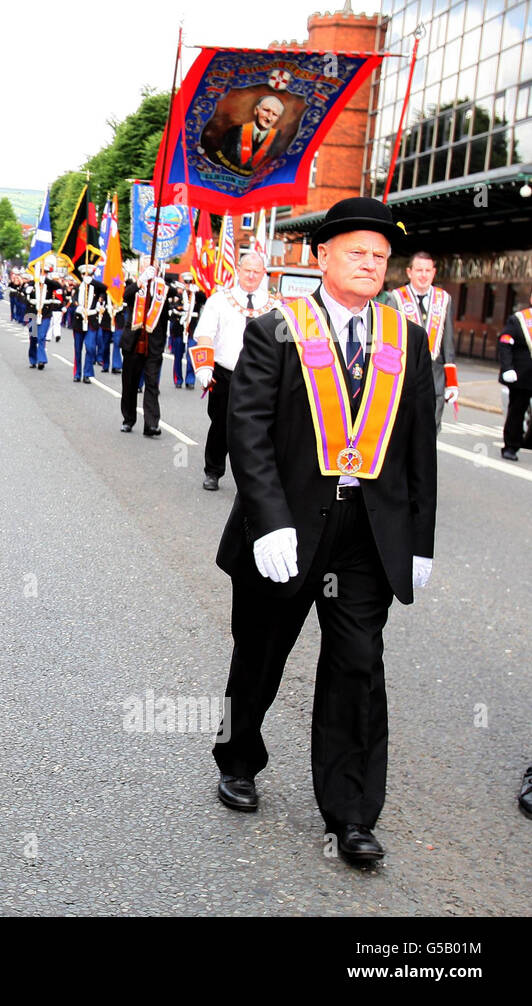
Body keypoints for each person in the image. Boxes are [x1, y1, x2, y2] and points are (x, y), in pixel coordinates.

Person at [211, 197, 437, 866]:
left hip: (367, 533)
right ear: (321, 259)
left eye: (380, 257)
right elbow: (245, 429)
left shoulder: (407, 339)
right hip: (286, 528)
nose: (371, 265)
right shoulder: (277, 328)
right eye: (357, 253)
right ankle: (238, 757)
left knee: (359, 665)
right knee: (259, 654)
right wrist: (268, 521)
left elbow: (419, 448)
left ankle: (352, 814)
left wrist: (420, 538)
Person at [192, 250, 276, 491]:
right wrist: (205, 367)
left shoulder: (273, 305)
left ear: (263, 275)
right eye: (247, 270)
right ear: (238, 270)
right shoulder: (219, 300)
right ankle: (213, 471)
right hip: (225, 372)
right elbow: (205, 334)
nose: (251, 275)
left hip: (259, 375)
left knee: (255, 428)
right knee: (221, 424)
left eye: (256, 272)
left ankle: (249, 478)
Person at [382, 251, 458, 433]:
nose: (423, 275)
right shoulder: (396, 298)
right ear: (410, 272)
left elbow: (448, 342)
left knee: (431, 429)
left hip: (435, 377)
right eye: (419, 270)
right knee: (403, 428)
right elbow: (388, 340)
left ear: (433, 272)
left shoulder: (444, 299)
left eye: (427, 270)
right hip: (406, 374)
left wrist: (452, 382)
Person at [119, 265, 170, 435]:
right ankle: (128, 419)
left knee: (152, 384)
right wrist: (140, 281)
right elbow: (125, 296)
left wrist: (160, 342)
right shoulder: (136, 286)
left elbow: (164, 319)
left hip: (153, 345)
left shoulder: (162, 291)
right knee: (130, 384)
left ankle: (151, 423)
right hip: (133, 343)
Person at [213, 94, 289, 175]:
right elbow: (219, 158)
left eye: (275, 114)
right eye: (266, 110)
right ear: (256, 110)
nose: (269, 117)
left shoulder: (280, 141)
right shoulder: (234, 132)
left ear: (278, 118)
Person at [497, 301, 532, 461]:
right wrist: (507, 368)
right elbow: (505, 343)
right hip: (522, 375)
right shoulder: (519, 319)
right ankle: (511, 446)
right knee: (517, 411)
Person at [70, 263, 105, 384]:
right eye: (84, 274)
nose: (86, 276)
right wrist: (78, 307)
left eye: (89, 274)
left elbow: (105, 288)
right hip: (79, 319)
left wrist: (91, 281)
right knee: (78, 348)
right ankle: (77, 373)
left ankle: (87, 373)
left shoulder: (96, 287)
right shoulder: (79, 287)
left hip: (91, 319)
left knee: (90, 347)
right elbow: (73, 299)